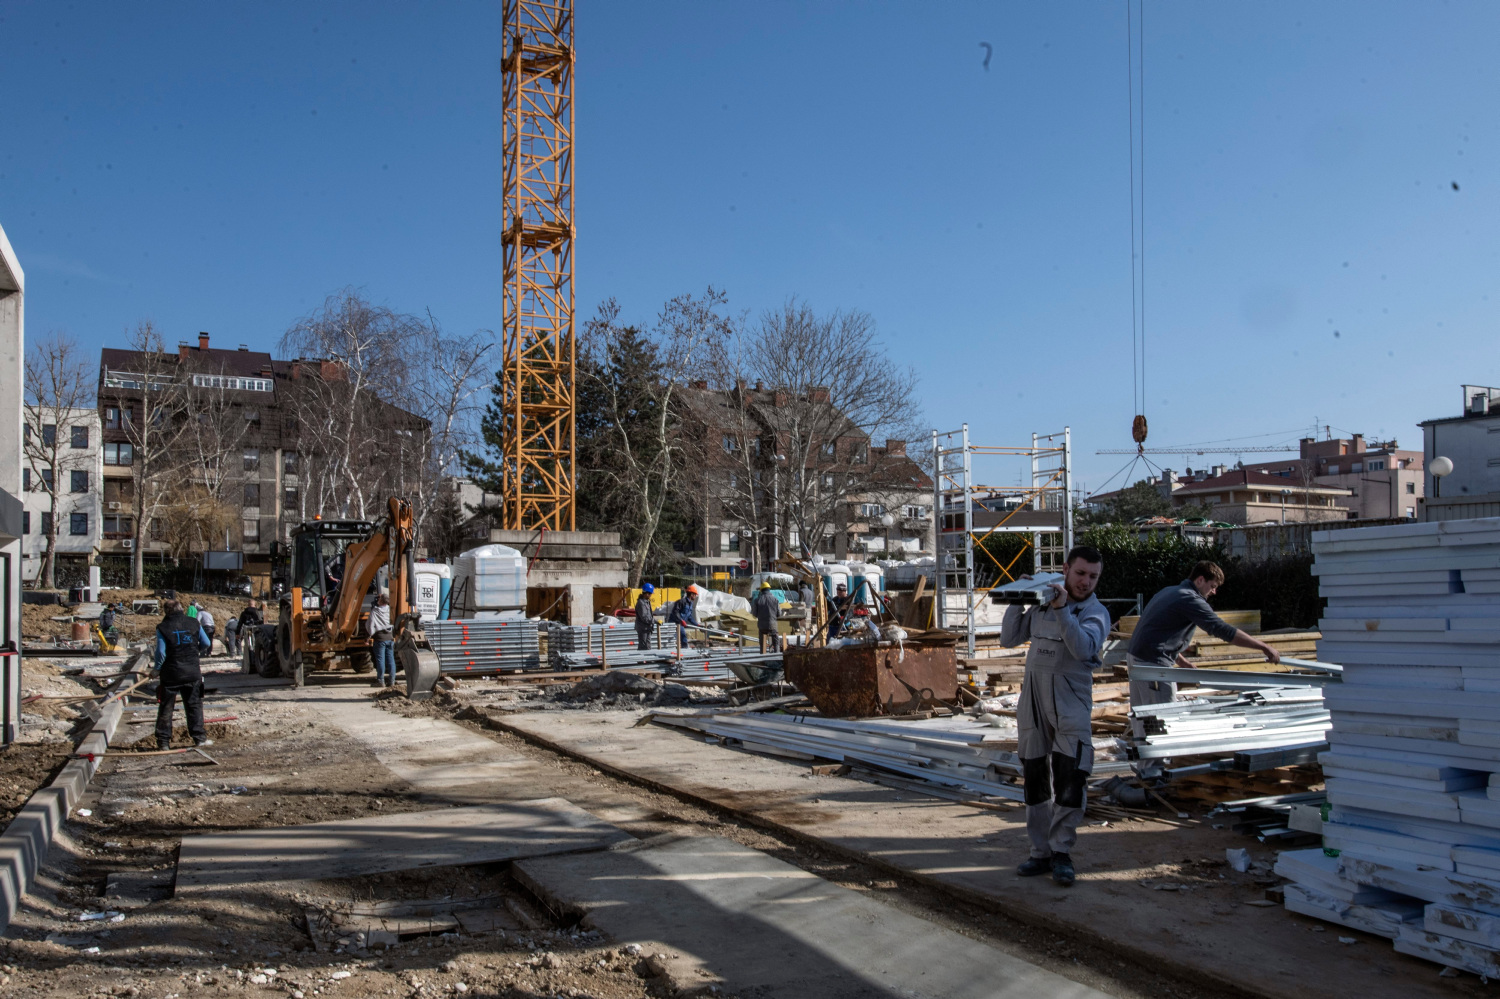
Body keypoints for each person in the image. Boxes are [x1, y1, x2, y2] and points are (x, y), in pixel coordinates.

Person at [999, 546, 1110, 888]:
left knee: (1069, 778)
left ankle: (1061, 852)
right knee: (1034, 777)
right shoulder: (1042, 604)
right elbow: (1008, 638)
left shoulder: (1095, 612)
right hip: (1033, 698)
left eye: (1093, 576)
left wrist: (1064, 611)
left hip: (1070, 702)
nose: (1085, 582)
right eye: (1080, 574)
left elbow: (1083, 649)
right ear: (1065, 569)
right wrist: (1018, 595)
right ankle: (1040, 852)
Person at [1127, 561, 1282, 709]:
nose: (1214, 592)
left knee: (1142, 717)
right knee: (1161, 719)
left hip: (1137, 658)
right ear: (1200, 580)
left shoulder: (1169, 591)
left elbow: (1159, 637)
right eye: (1212, 586)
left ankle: (1141, 738)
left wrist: (1183, 663)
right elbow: (1222, 629)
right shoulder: (1190, 599)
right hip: (1152, 665)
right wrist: (1264, 647)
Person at [153, 598, 213, 750]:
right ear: (181, 608)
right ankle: (199, 738)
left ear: (166, 611)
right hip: (193, 672)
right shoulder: (194, 623)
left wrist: (156, 669)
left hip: (171, 673)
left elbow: (161, 652)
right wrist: (193, 652)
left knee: (166, 708)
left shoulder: (163, 627)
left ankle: (164, 742)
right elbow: (206, 643)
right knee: (194, 705)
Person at [367, 593, 396, 688]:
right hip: (390, 637)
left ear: (381, 601)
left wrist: (369, 635)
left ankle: (380, 681)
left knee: (380, 660)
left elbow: (371, 625)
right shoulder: (391, 610)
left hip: (379, 638)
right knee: (391, 660)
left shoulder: (375, 611)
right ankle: (392, 681)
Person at [752, 581, 782, 652]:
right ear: (769, 589)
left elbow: (754, 614)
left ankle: (763, 656)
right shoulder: (775, 600)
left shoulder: (757, 600)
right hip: (773, 625)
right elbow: (779, 614)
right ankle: (777, 656)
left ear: (761, 590)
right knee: (776, 642)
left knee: (762, 642)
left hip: (762, 626)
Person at [635, 584, 656, 650]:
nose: (650, 595)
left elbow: (649, 615)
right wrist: (654, 621)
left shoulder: (647, 602)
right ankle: (641, 660)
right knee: (643, 646)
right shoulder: (641, 603)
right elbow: (644, 617)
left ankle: (648, 660)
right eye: (650, 593)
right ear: (646, 593)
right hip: (643, 628)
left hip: (647, 628)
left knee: (647, 645)